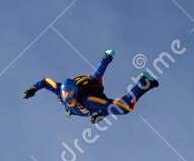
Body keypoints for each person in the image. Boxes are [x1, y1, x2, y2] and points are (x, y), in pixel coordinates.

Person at [23, 50, 158, 121]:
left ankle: (144, 82)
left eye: (69, 93)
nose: (66, 95)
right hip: (86, 85)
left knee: (125, 108)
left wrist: (102, 114)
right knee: (95, 75)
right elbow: (46, 81)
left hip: (93, 90)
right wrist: (34, 88)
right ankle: (107, 56)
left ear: (75, 92)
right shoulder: (60, 91)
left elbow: (109, 105)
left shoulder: (88, 100)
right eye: (65, 92)